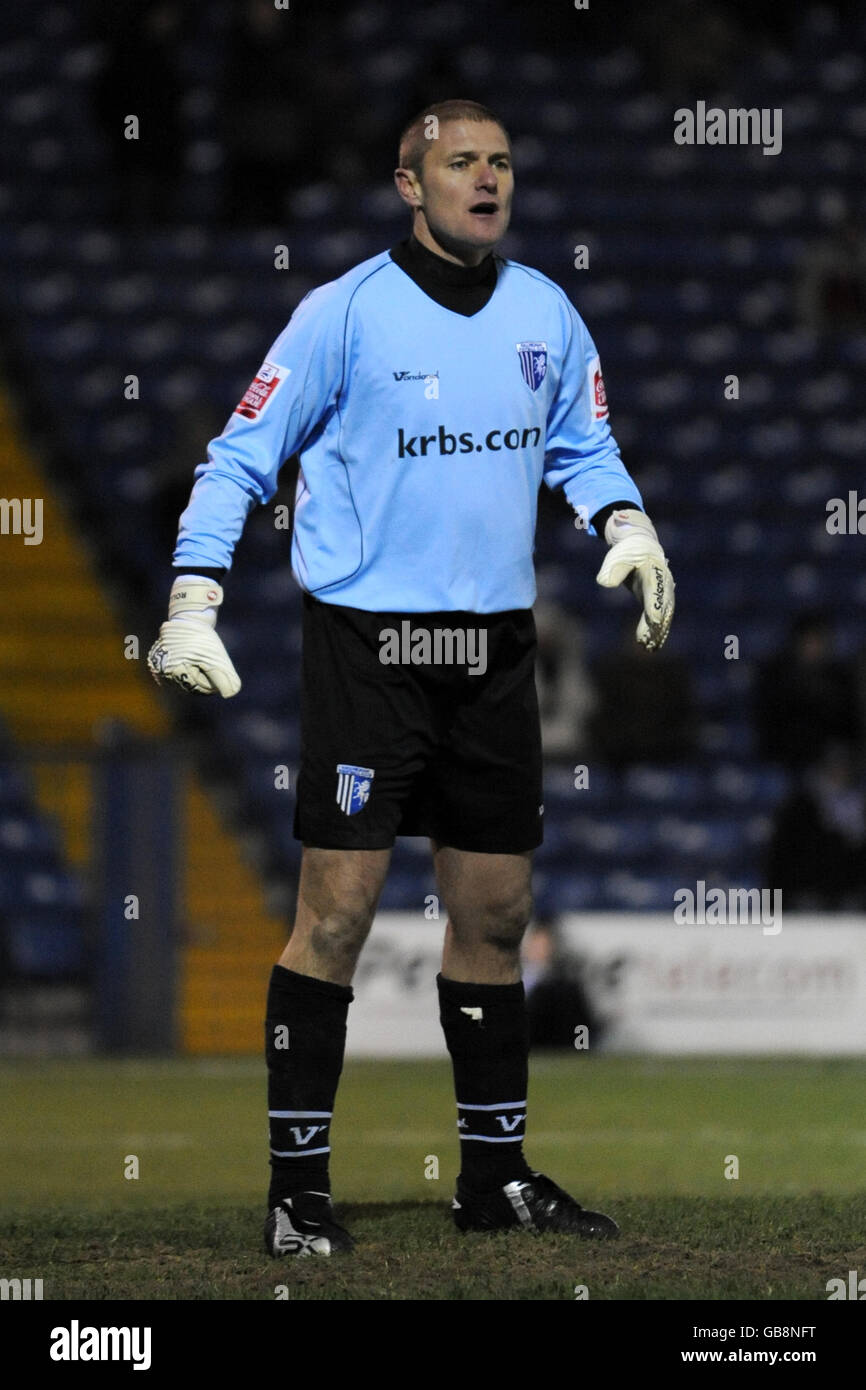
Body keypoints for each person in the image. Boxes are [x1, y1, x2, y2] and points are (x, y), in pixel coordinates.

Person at [147, 99, 675, 1256]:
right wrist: (194, 594)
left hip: (491, 650)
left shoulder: (547, 310)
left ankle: (492, 1180)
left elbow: (581, 446)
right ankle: (297, 1193)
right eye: (458, 163)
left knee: (495, 914)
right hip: (369, 649)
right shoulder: (340, 314)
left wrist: (623, 521)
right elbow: (239, 455)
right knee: (333, 916)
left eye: (499, 163)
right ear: (407, 183)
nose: (484, 180)